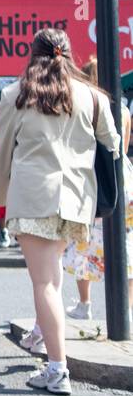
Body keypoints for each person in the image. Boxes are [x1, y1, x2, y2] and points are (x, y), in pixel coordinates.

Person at [0, 30, 119, 396]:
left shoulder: (17, 95)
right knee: (53, 276)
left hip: (33, 197)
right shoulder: (93, 97)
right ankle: (41, 335)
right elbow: (113, 143)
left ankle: (57, 367)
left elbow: (0, 149)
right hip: (77, 200)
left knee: (43, 282)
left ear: (33, 54)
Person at [62, 56, 133, 321]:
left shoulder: (85, 105)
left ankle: (85, 303)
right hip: (122, 177)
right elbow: (121, 149)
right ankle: (124, 310)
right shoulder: (123, 111)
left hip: (91, 176)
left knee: (83, 240)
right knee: (125, 242)